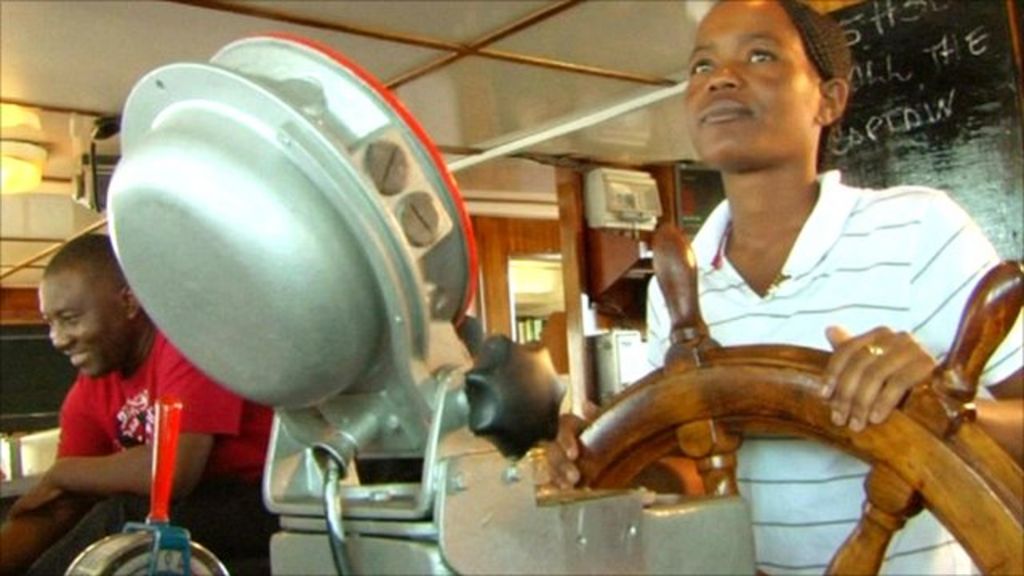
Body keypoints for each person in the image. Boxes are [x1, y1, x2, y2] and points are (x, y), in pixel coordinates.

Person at [545, 1, 1023, 574]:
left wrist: (938, 410)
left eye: (760, 55)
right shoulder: (674, 289)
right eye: (702, 67)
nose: (721, 77)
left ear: (830, 99)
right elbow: (688, 464)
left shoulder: (921, 229)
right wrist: (597, 456)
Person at [0, 233, 278, 575]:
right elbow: (63, 504)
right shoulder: (91, 389)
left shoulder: (187, 343)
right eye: (50, 323)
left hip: (261, 505)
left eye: (70, 319)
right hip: (181, 511)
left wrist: (63, 473)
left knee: (121, 516)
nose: (58, 339)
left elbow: (176, 470)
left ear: (129, 302)